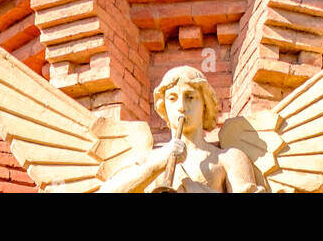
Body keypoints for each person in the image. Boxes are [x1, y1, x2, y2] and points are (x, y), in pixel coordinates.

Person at [98, 65, 265, 193]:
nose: (181, 107)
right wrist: (159, 163)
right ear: (164, 106)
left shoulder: (228, 158)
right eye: (172, 98)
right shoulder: (148, 159)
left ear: (205, 104)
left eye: (190, 97)